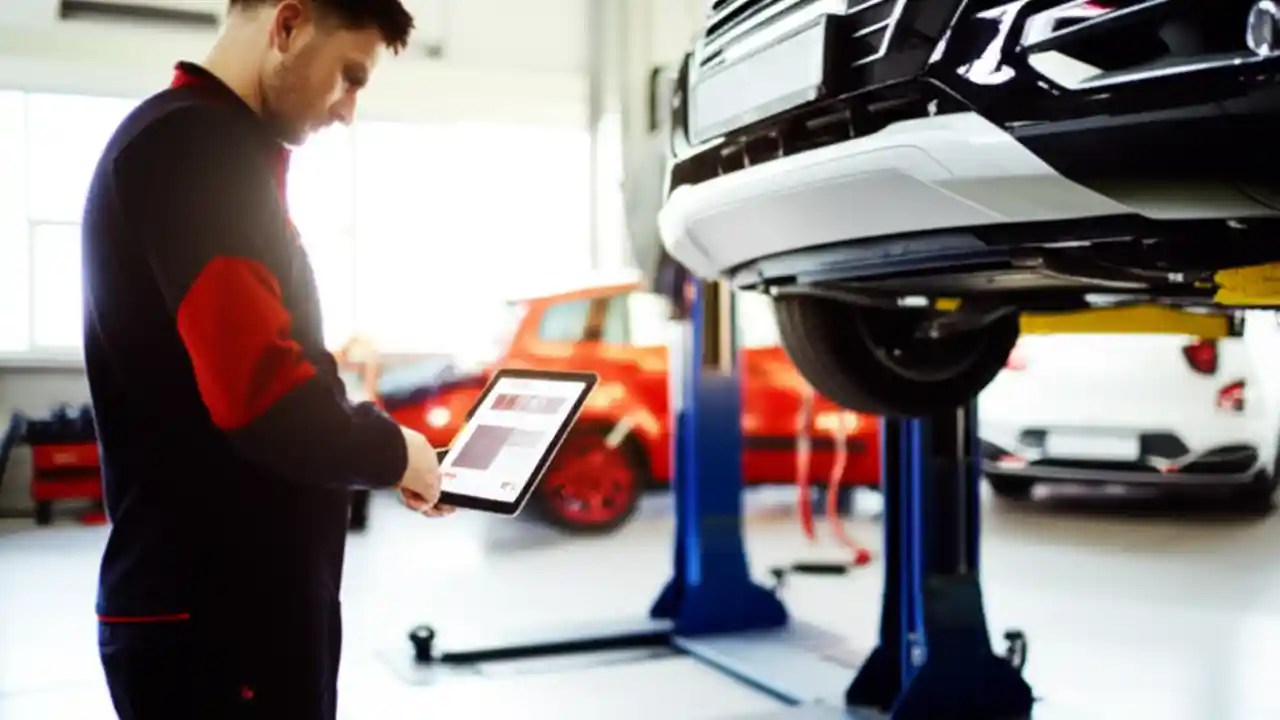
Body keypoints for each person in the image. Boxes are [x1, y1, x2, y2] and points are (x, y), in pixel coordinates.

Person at [80, 1, 452, 717]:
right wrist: (393, 449)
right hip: (217, 618)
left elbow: (271, 365)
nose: (347, 111)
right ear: (288, 26)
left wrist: (376, 446)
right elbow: (263, 396)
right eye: (349, 76)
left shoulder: (201, 149)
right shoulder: (195, 151)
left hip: (228, 605)